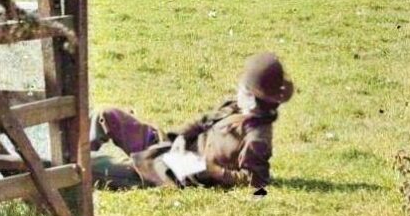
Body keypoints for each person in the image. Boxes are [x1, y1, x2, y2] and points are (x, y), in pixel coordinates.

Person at [90, 52, 294, 193]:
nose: (237, 90)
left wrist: (213, 170)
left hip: (173, 172)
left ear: (252, 98)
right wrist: (182, 136)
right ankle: (63, 148)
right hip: (168, 146)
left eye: (242, 89)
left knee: (91, 168)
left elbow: (253, 179)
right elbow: (203, 122)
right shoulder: (236, 106)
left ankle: (63, 167)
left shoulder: (257, 138)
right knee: (106, 114)